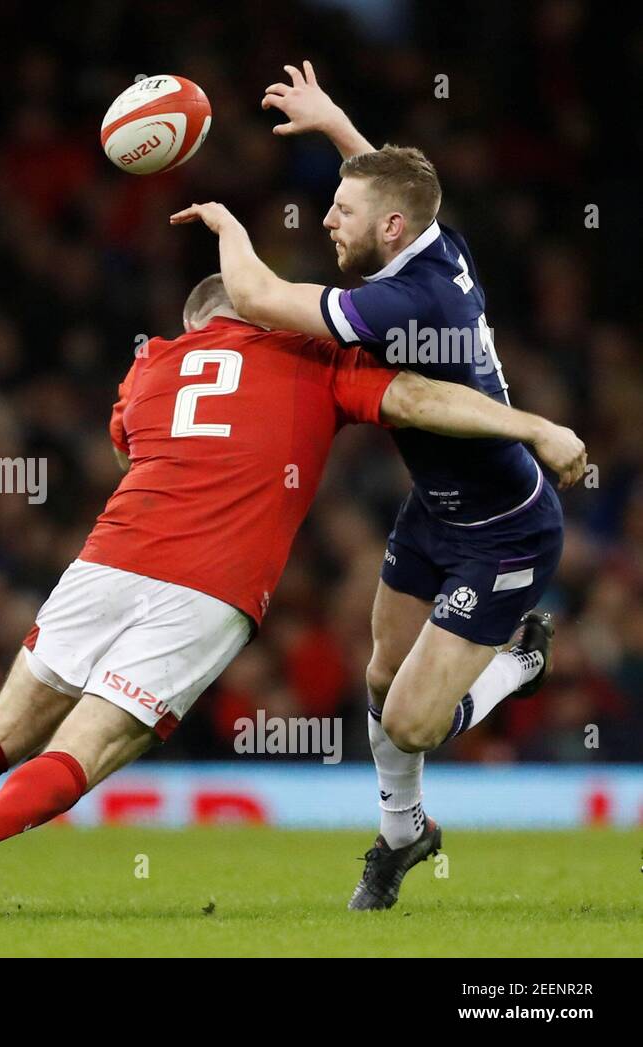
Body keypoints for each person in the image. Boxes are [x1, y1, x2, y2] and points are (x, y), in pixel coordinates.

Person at [0, 274, 586, 916]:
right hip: (208, 586)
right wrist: (532, 427)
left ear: (194, 323)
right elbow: (417, 399)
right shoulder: (310, 357)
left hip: (108, 559)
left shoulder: (153, 364)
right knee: (87, 748)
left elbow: (124, 439)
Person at [169, 60, 580, 909]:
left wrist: (224, 224)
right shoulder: (433, 242)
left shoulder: (404, 306)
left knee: (412, 722)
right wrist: (335, 125)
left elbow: (256, 294)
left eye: (340, 213)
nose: (325, 220)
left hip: (504, 533)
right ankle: (401, 835)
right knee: (381, 678)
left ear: (388, 229)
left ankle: (518, 662)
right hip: (435, 510)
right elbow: (396, 187)